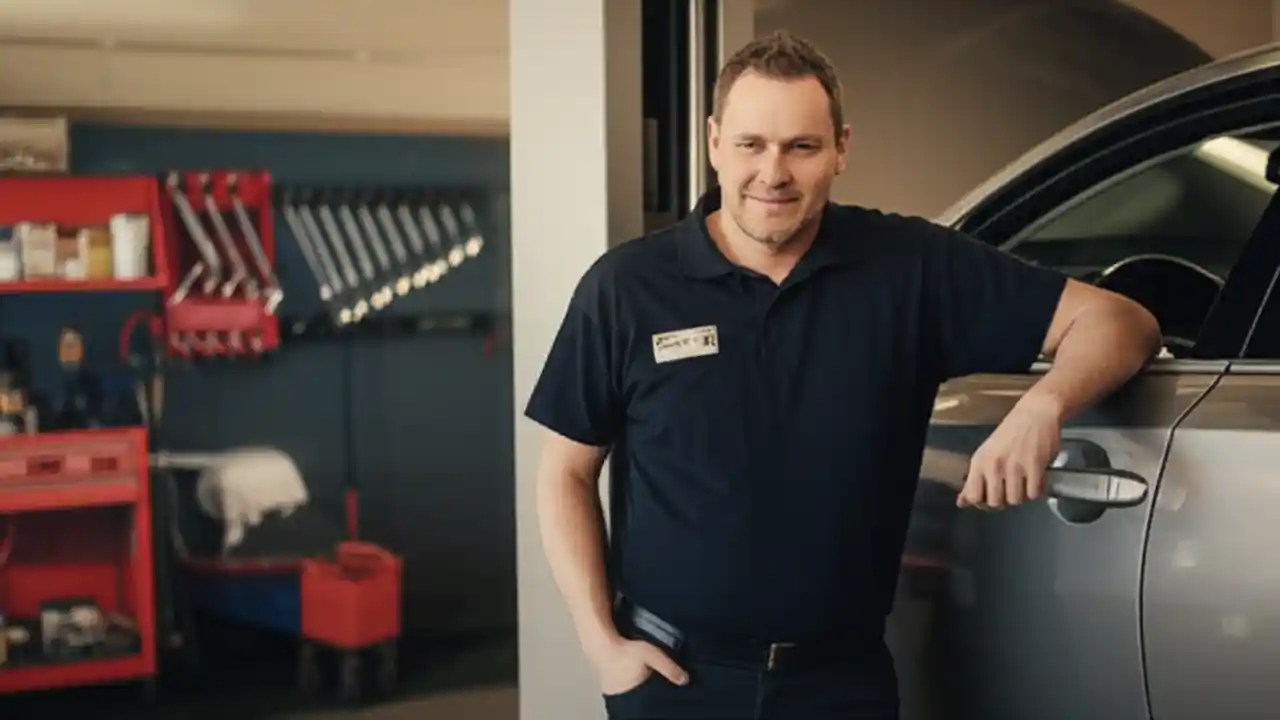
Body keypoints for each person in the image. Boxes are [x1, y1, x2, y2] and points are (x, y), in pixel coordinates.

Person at [524, 30, 1162, 720]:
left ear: (841, 150)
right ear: (714, 143)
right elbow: (565, 471)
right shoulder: (626, 287)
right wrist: (600, 645)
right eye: (750, 145)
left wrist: (1045, 406)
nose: (773, 173)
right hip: (675, 682)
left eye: (801, 146)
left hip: (840, 686)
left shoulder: (910, 267)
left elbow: (1123, 325)